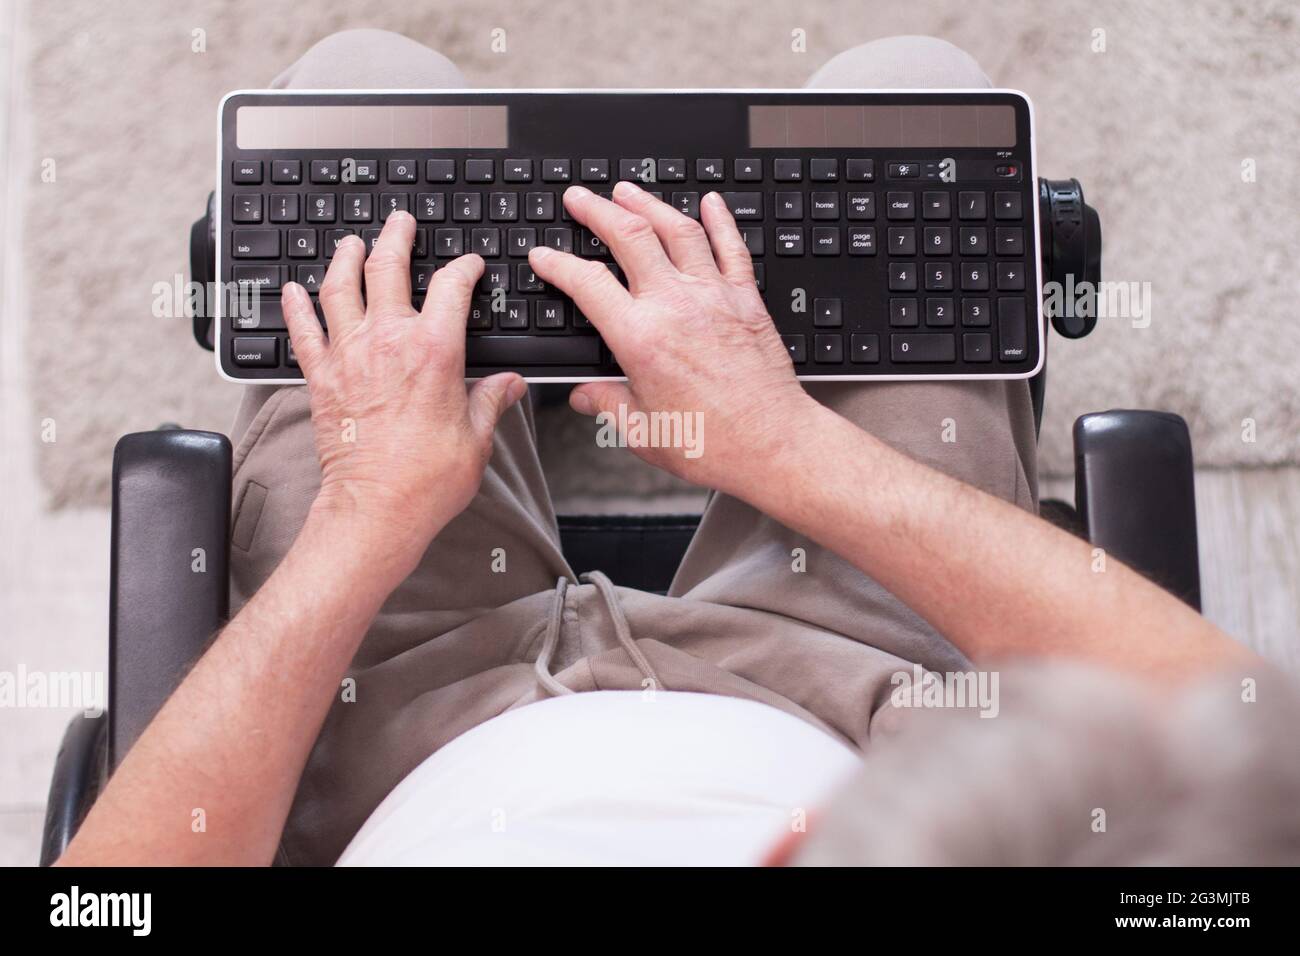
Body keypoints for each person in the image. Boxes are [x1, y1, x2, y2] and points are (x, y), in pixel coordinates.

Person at [57, 31, 1254, 866]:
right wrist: (783, 445)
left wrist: (369, 513)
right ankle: (633, 346)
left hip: (393, 732)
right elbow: (1233, 721)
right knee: (913, 94)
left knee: (364, 89)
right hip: (854, 718)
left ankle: (526, 353)